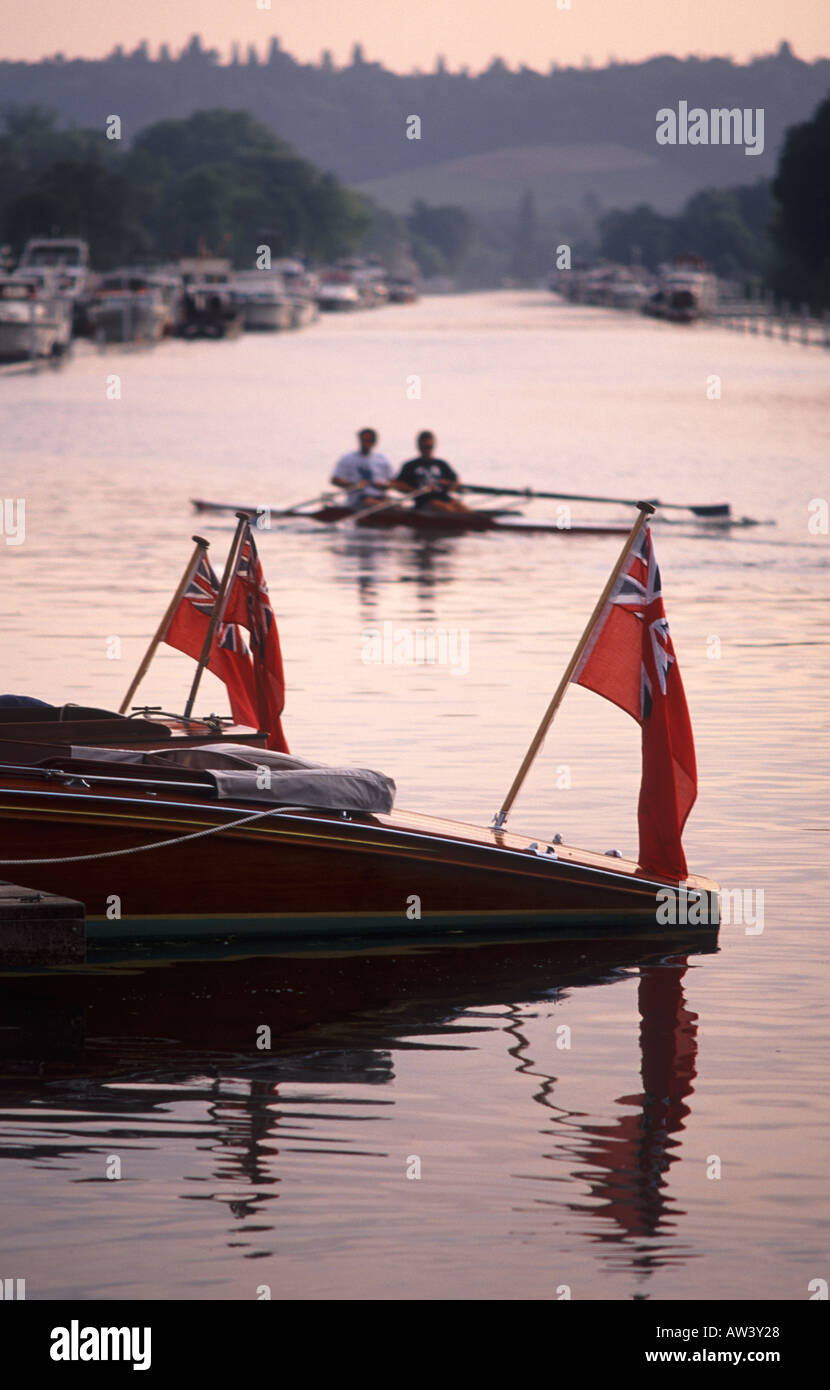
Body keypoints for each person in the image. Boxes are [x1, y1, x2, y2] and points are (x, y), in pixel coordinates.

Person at [395, 431, 462, 509]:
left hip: (444, 498)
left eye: (430, 447)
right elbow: (398, 485)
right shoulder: (410, 465)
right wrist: (416, 490)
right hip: (424, 502)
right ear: (419, 447)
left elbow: (456, 483)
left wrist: (448, 484)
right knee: (442, 506)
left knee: (459, 506)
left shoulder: (441, 464)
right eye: (425, 447)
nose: (427, 450)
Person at [331, 428, 394, 510]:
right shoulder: (348, 458)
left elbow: (392, 482)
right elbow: (335, 480)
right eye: (363, 440)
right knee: (369, 501)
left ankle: (387, 506)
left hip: (379, 497)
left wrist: (384, 485)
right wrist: (354, 485)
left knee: (393, 503)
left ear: (374, 443)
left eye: (368, 441)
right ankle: (384, 506)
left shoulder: (382, 460)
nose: (365, 443)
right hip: (358, 500)